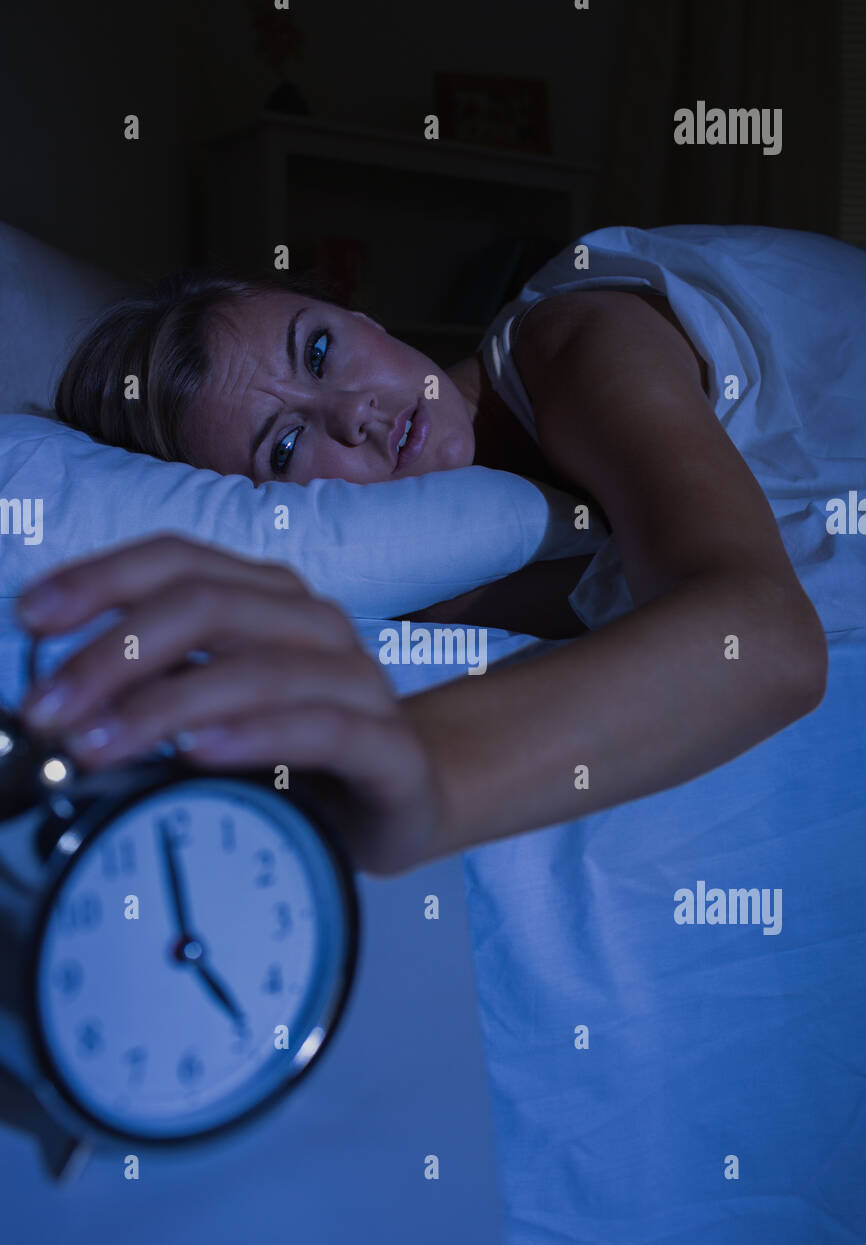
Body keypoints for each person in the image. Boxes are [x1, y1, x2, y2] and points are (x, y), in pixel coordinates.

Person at [15, 241, 829, 874]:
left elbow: (763, 642)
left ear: (358, 315)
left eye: (321, 352)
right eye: (289, 445)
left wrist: (426, 776)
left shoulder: (581, 344)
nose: (355, 412)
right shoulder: (433, 587)